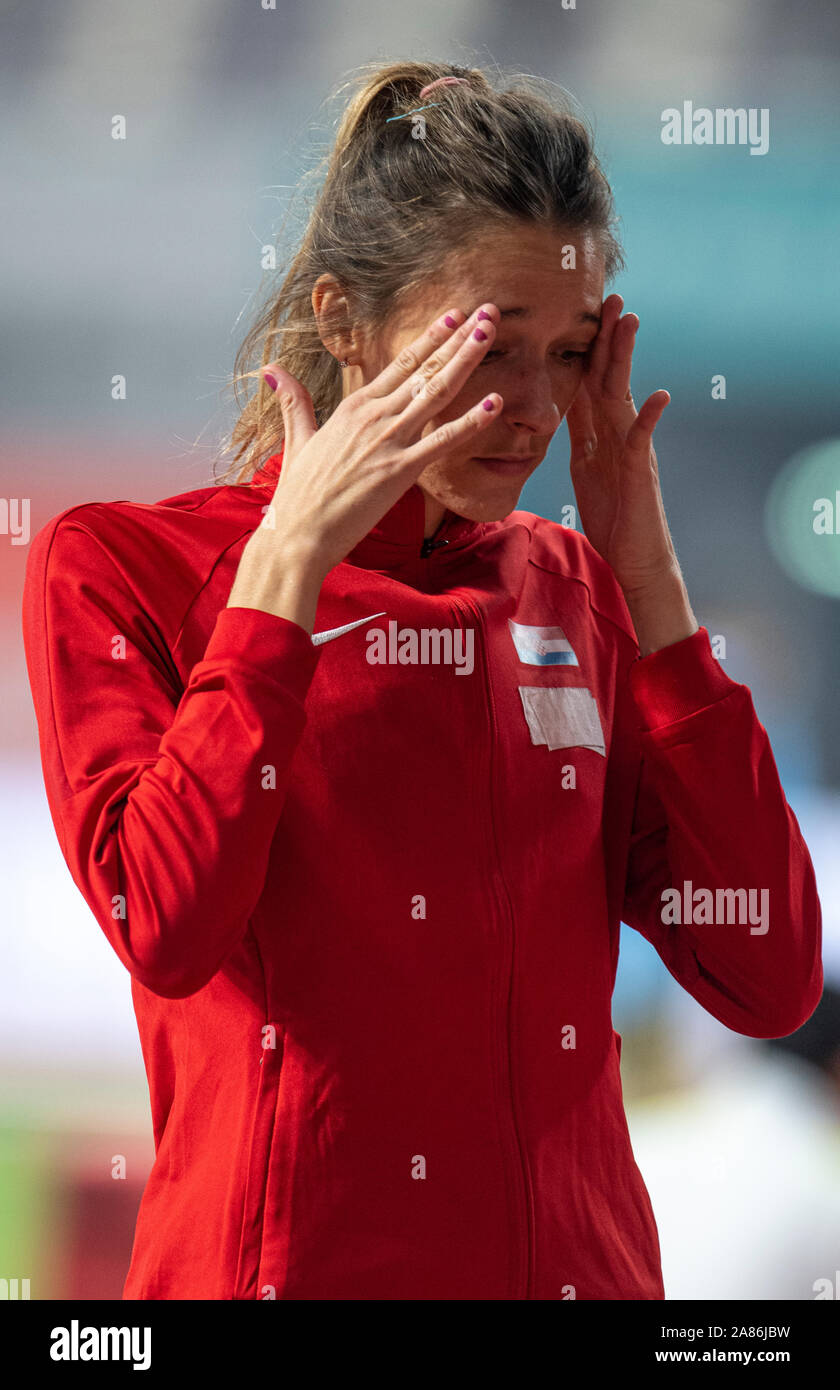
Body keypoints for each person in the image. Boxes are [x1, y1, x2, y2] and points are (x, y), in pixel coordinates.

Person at [21, 59, 822, 1301]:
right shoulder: (129, 565)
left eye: (567, 355)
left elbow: (766, 976)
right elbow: (166, 930)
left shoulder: (577, 592)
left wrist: (654, 597)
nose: (533, 409)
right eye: (490, 346)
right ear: (344, 321)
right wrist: (286, 570)